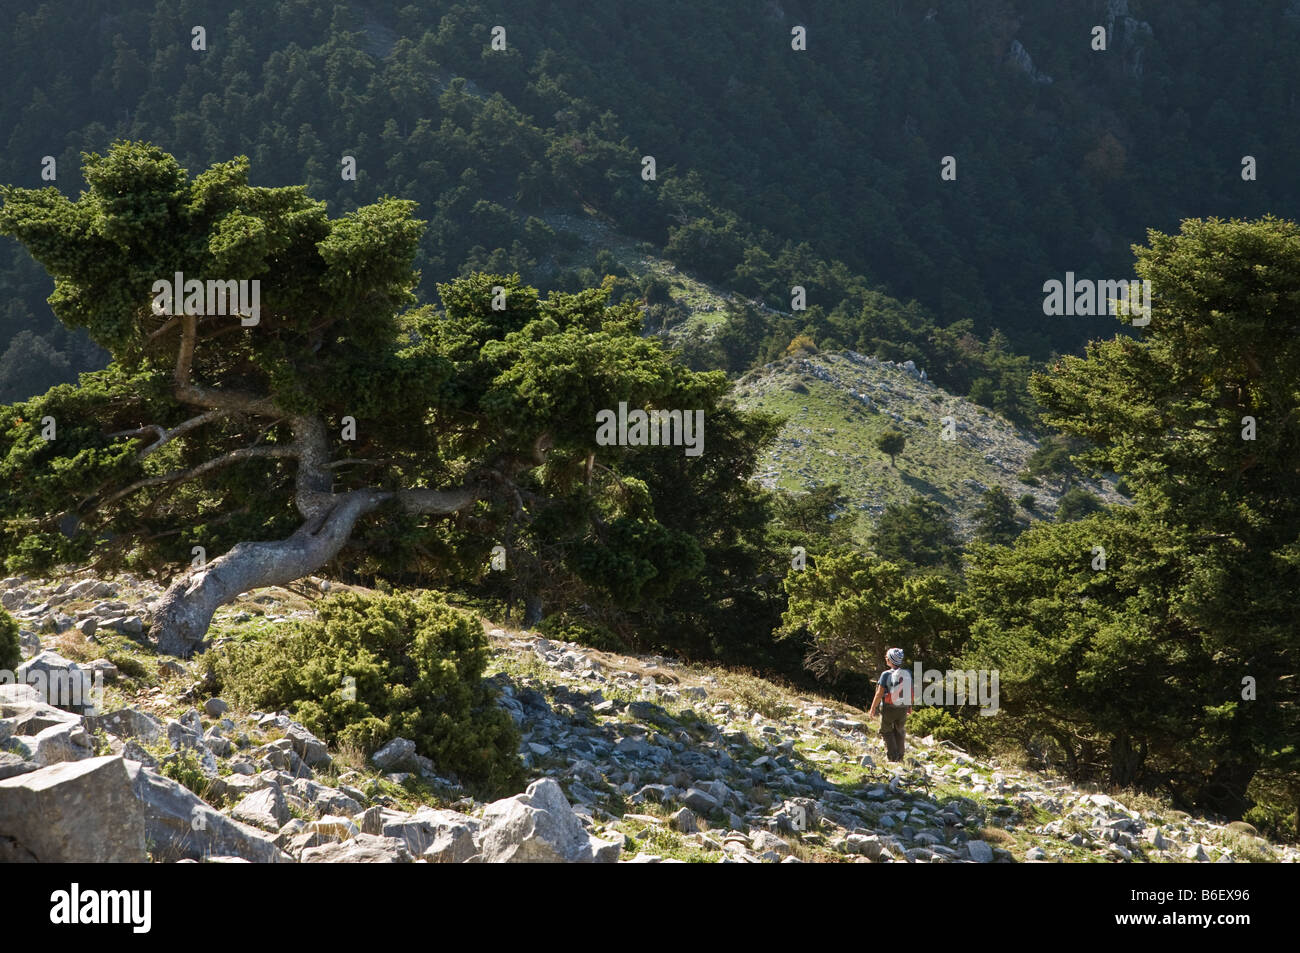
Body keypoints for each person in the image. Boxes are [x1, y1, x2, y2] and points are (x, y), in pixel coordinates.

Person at [868, 647, 912, 762]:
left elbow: (879, 694)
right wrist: (909, 707)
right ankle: (901, 757)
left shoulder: (885, 675)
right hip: (903, 708)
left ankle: (892, 757)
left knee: (886, 730)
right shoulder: (907, 673)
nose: (885, 658)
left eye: (887, 657)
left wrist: (873, 708)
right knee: (900, 730)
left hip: (889, 707)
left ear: (890, 660)